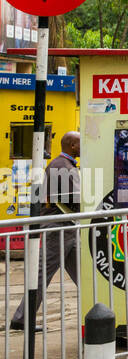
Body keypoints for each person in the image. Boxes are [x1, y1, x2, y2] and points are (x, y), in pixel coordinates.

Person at [10, 132, 80, 331]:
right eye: (81, 143)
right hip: (59, 227)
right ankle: (22, 319)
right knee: (43, 273)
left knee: (85, 273)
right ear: (73, 145)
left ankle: (100, 312)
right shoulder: (62, 166)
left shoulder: (62, 165)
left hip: (65, 226)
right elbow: (75, 199)